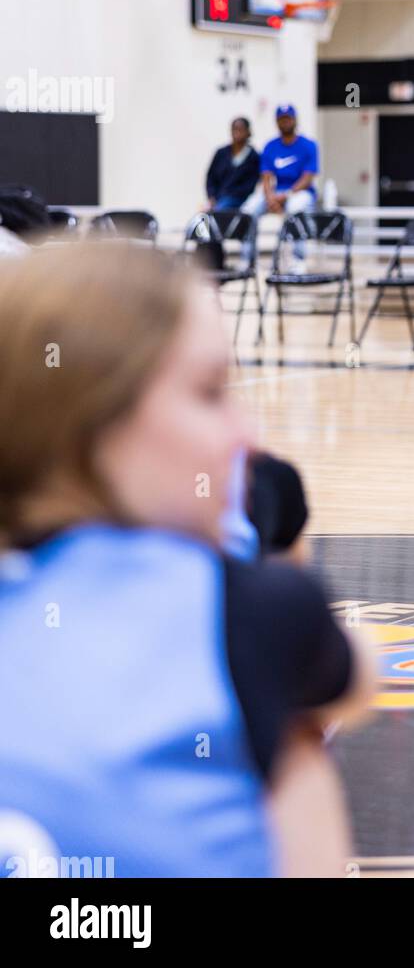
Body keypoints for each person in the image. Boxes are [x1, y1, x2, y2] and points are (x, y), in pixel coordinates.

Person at [0, 242, 371, 877]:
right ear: (94, 418)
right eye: (210, 392)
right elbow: (357, 680)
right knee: (295, 743)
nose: (246, 433)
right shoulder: (252, 609)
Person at [243, 105, 319, 271]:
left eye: (288, 118)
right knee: (249, 208)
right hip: (276, 192)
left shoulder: (308, 145)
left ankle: (298, 260)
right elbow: (266, 176)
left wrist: (286, 196)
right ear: (277, 122)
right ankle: (247, 260)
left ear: (295, 120)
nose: (285, 122)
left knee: (295, 208)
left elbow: (308, 177)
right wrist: (270, 197)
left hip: (300, 192)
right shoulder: (271, 146)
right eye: (282, 119)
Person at [204, 116, 260, 211]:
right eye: (235, 129)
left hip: (239, 199)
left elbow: (251, 184)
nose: (237, 132)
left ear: (248, 132)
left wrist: (228, 195)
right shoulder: (221, 153)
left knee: (219, 211)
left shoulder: (253, 156)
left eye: (241, 129)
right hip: (217, 198)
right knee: (202, 216)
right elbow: (211, 177)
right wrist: (211, 196)